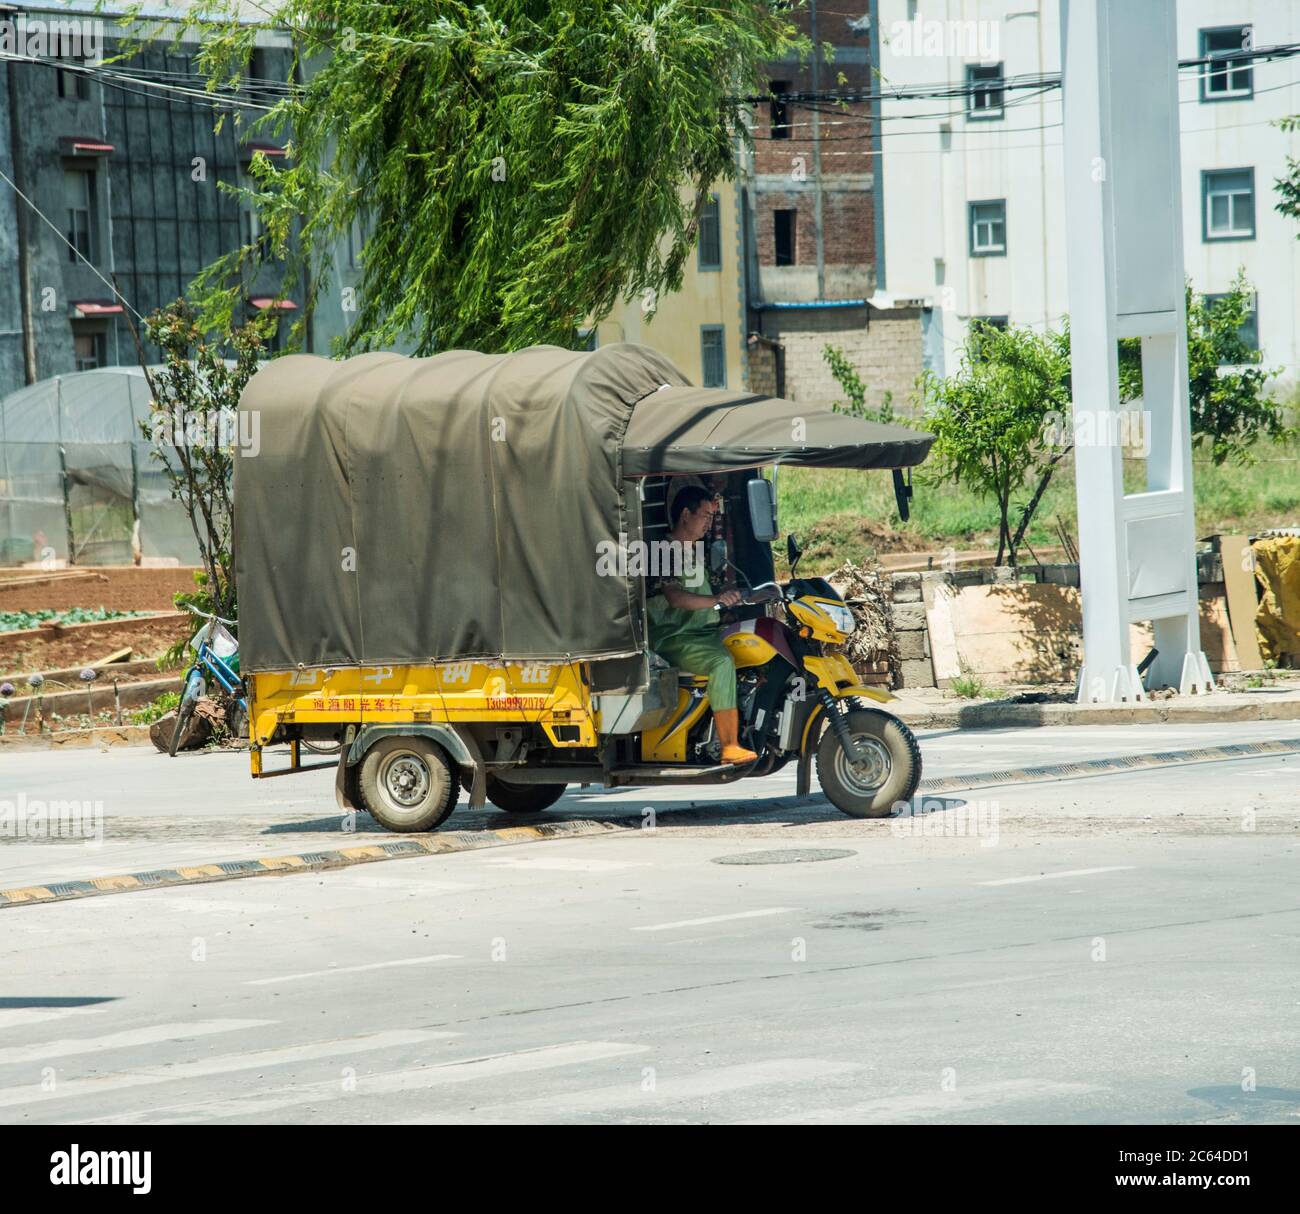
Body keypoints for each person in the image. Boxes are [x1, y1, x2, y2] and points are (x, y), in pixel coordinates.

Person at [647, 485, 758, 765]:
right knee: (721, 663)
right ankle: (729, 745)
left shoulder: (696, 552)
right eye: (705, 515)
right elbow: (675, 597)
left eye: (712, 517)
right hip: (674, 639)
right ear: (686, 514)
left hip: (703, 634)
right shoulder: (662, 551)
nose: (709, 523)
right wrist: (716, 600)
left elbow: (712, 597)